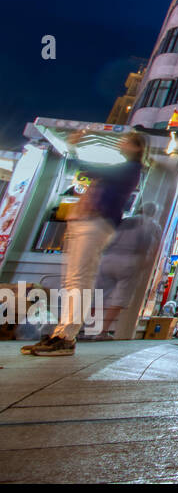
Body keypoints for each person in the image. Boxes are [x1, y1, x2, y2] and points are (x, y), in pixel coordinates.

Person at [22, 131, 148, 356]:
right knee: (73, 280)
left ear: (136, 147)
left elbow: (92, 169)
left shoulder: (130, 169)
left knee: (79, 280)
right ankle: (60, 334)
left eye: (126, 141)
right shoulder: (124, 169)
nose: (121, 143)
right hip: (85, 222)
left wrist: (76, 147)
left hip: (95, 223)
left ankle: (66, 336)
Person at [91, 202, 163, 340]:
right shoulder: (153, 226)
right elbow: (155, 248)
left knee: (99, 295)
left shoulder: (126, 220)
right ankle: (102, 332)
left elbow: (107, 238)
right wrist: (145, 264)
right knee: (119, 298)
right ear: (154, 213)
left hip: (108, 258)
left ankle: (89, 328)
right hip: (131, 261)